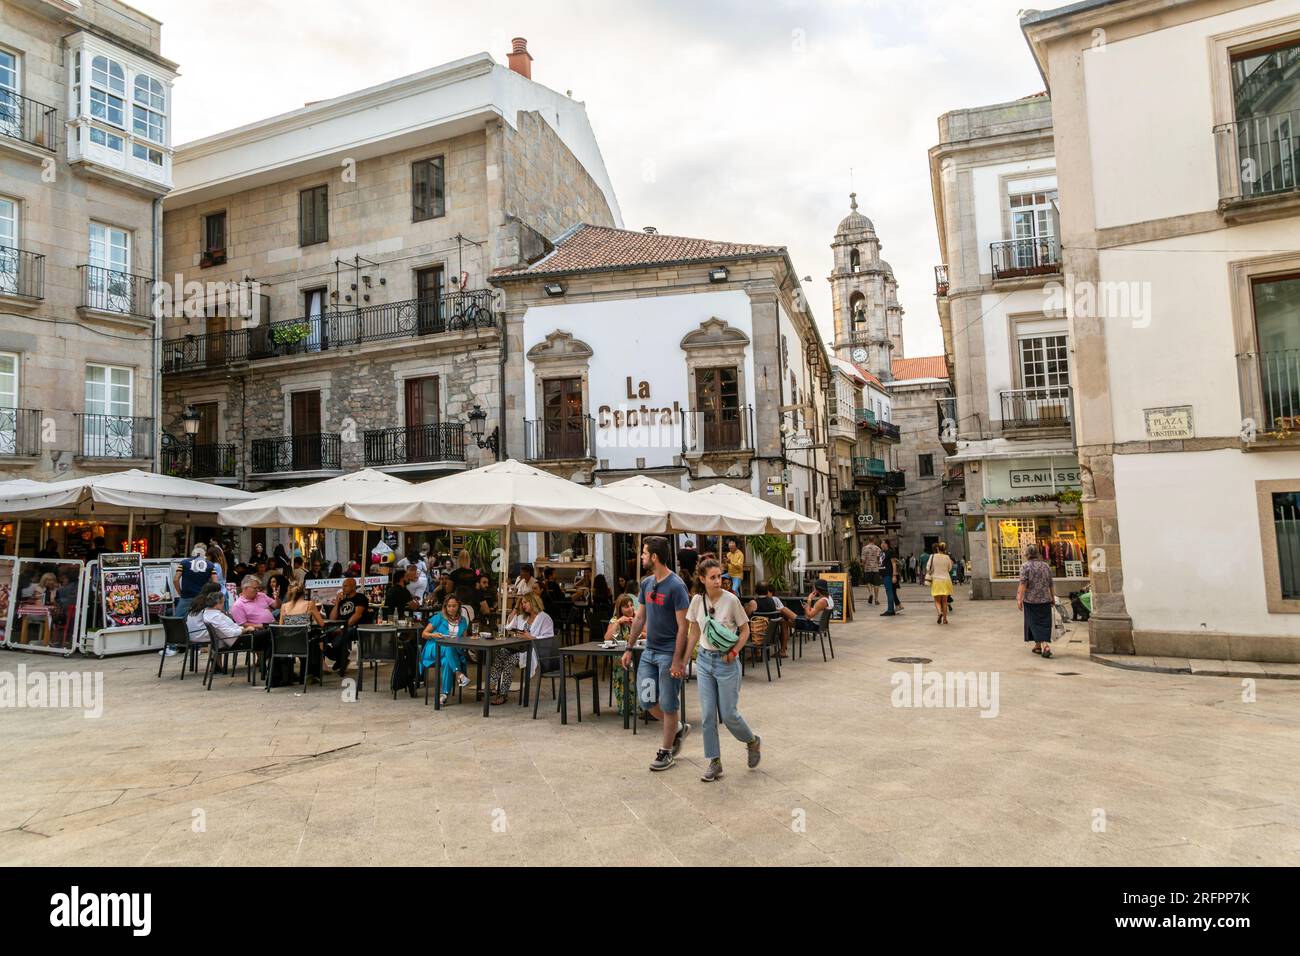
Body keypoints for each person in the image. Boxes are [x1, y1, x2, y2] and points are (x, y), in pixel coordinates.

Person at [685, 558, 760, 782]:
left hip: (727, 662)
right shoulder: (697, 601)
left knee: (728, 714)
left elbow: (745, 631)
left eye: (720, 576)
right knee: (708, 715)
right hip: (705, 661)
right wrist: (684, 659)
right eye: (713, 577)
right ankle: (714, 761)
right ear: (702, 579)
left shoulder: (732, 600)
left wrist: (734, 652)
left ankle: (752, 741)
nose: (718, 581)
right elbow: (694, 633)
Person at [621, 535, 691, 772]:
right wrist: (629, 647)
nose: (640, 556)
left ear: (654, 557)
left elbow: (684, 626)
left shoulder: (677, 586)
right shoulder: (646, 583)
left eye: (644, 552)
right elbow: (640, 617)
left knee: (669, 704)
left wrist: (677, 660)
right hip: (649, 653)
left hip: (668, 653)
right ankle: (678, 728)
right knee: (647, 701)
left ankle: (666, 751)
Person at [494, 593, 553, 704]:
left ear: (533, 602)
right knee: (501, 652)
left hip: (534, 650)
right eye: (522, 603)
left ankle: (502, 694)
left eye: (525, 602)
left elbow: (549, 639)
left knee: (510, 661)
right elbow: (509, 625)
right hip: (519, 647)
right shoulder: (523, 617)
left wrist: (530, 637)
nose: (523, 605)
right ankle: (492, 684)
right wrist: (516, 607)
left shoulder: (544, 618)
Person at [419, 595, 473, 706]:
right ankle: (459, 674)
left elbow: (463, 639)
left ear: (458, 607)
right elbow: (424, 634)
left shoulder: (462, 621)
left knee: (447, 661)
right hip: (435, 647)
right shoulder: (439, 617)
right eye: (449, 606)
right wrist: (434, 635)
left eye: (454, 606)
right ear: (445, 606)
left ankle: (444, 694)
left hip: (450, 652)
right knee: (448, 647)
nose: (451, 608)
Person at [278, 580, 326, 683]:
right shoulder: (309, 604)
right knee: (318, 638)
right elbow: (321, 624)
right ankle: (312, 673)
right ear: (304, 592)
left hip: (287, 644)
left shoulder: (284, 606)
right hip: (304, 643)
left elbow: (281, 627)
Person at [604, 593, 641, 717]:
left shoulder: (638, 618)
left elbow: (648, 634)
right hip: (620, 658)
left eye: (631, 605)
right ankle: (626, 706)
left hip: (637, 657)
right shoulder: (615, 620)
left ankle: (640, 706)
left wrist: (635, 626)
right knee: (623, 667)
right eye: (626, 607)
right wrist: (618, 623)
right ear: (619, 609)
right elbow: (607, 638)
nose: (630, 609)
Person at [1018, 543, 1057, 659]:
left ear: (1027, 554)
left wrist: (1019, 599)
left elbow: (1023, 584)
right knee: (1044, 622)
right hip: (1045, 599)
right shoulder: (1046, 566)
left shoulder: (1025, 567)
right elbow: (1050, 583)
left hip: (1031, 600)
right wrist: (1053, 597)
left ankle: (1045, 646)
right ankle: (1038, 645)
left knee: (1034, 623)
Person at [326, 577, 370, 677]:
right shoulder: (342, 600)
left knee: (338, 641)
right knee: (321, 637)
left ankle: (341, 660)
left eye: (346, 586)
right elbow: (332, 618)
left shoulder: (360, 597)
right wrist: (337, 603)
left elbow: (357, 615)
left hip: (355, 627)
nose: (343, 588)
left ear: (353, 586)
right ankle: (342, 659)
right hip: (341, 626)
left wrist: (342, 628)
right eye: (343, 586)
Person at [186, 584, 254, 648]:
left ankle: (215, 658)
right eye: (219, 590)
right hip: (201, 633)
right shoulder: (209, 604)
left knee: (221, 630)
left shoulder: (196, 601)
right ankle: (218, 656)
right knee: (221, 631)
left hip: (191, 633)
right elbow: (216, 621)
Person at [746, 581, 797, 658]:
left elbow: (745, 616)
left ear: (756, 591)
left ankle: (757, 652)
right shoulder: (772, 601)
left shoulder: (753, 603)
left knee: (751, 624)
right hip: (771, 634)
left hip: (757, 634)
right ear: (767, 591)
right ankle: (782, 651)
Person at [172, 545, 215, 619]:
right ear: (204, 555)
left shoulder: (184, 563)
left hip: (186, 596)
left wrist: (180, 593)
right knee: (202, 619)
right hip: (203, 597)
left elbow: (175, 579)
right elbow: (215, 582)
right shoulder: (210, 565)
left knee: (179, 619)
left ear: (192, 554)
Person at [926, 542, 955, 625]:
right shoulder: (947, 557)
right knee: (945, 601)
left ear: (937, 549)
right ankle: (945, 619)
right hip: (946, 580)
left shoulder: (932, 556)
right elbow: (949, 568)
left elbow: (928, 567)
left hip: (936, 580)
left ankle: (939, 613)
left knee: (937, 600)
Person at [859, 537, 882, 606]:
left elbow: (863, 560)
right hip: (875, 569)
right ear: (874, 540)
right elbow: (879, 559)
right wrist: (877, 562)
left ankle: (870, 593)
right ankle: (876, 599)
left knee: (867, 582)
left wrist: (862, 565)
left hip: (867, 568)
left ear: (868, 540)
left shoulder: (864, 548)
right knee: (876, 584)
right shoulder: (878, 548)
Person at [880, 542, 900, 616]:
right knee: (889, 591)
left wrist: (894, 575)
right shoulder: (883, 552)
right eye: (881, 543)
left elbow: (894, 563)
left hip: (889, 574)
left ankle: (890, 610)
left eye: (884, 543)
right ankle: (892, 609)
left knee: (889, 592)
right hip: (884, 574)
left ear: (887, 544)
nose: (882, 545)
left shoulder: (890, 552)